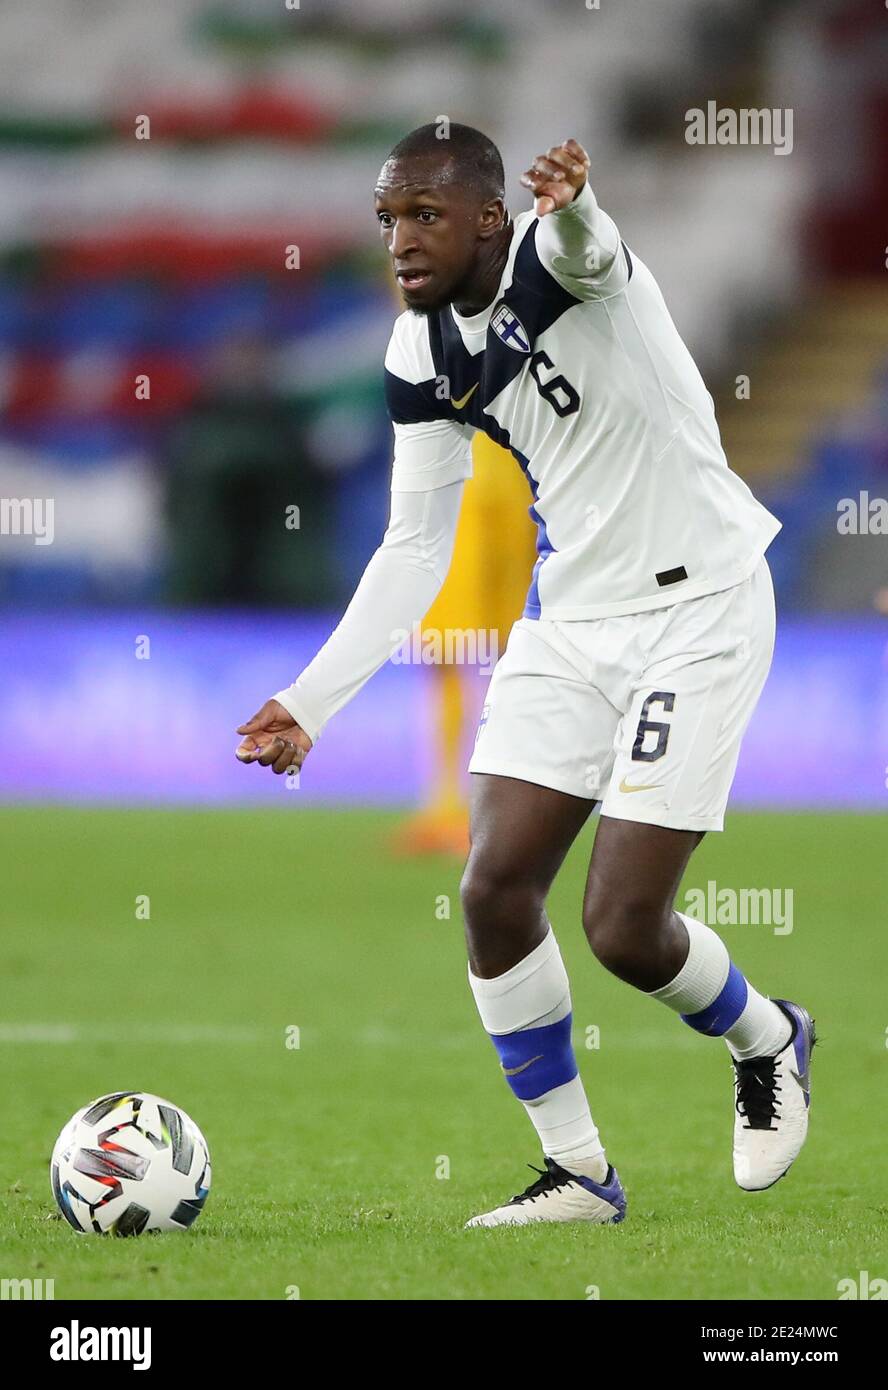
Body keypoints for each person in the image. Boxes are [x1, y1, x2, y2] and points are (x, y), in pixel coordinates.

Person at [236, 124, 814, 1228]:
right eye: (387, 221)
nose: (400, 241)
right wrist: (310, 702)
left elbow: (590, 247)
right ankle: (581, 1173)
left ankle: (768, 1036)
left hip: (701, 607)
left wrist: (581, 204)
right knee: (494, 890)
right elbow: (414, 548)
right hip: (572, 621)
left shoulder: (562, 258)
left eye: (424, 216)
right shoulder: (419, 354)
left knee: (624, 930)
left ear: (490, 218)